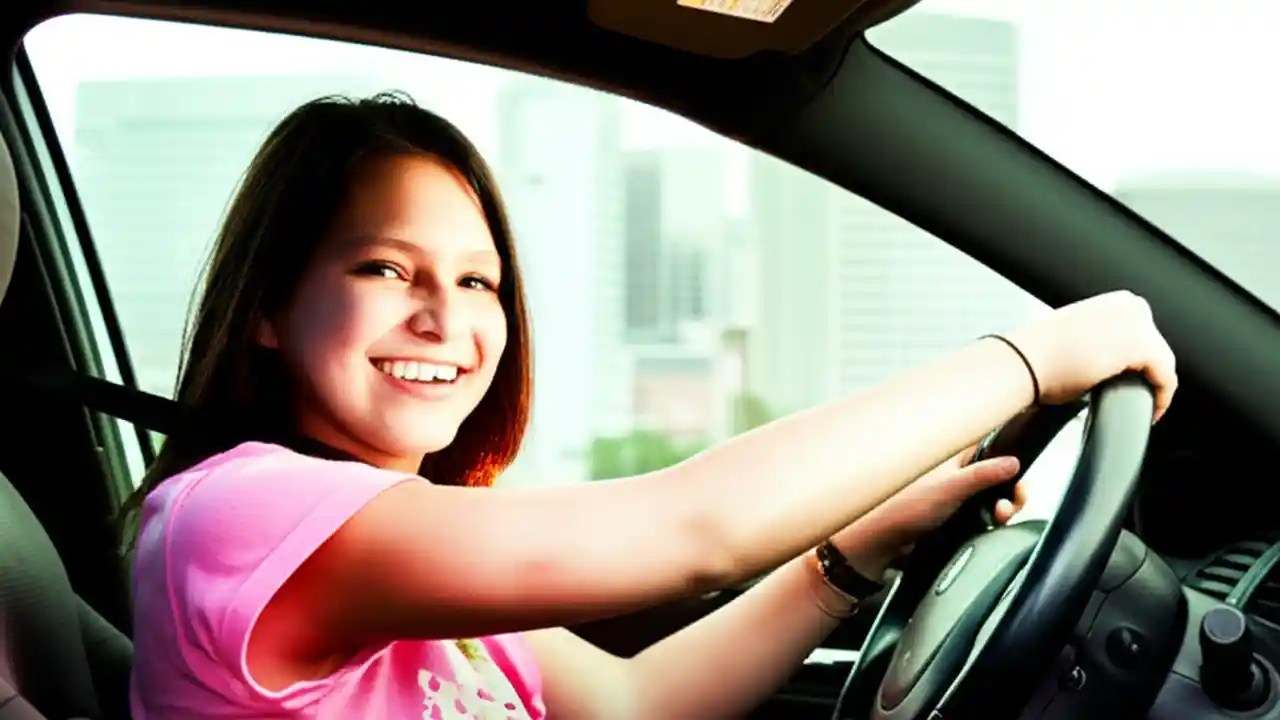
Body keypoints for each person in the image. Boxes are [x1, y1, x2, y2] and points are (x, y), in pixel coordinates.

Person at [125, 91, 1177, 720]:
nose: (446, 318)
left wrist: (854, 555)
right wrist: (1035, 358)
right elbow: (691, 533)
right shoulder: (239, 516)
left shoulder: (427, 560)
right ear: (266, 308)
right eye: (387, 271)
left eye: (479, 280)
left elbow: (639, 705)